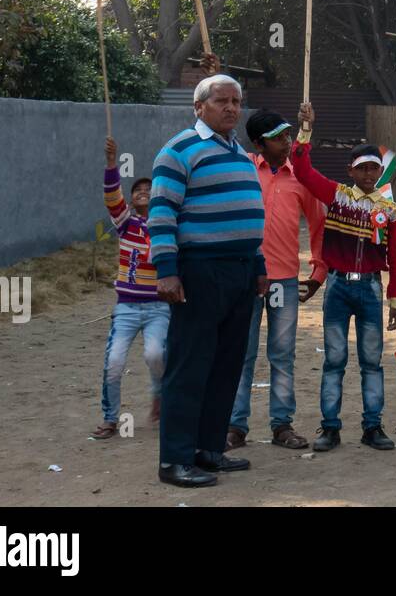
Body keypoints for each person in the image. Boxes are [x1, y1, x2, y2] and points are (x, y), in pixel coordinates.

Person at [149, 72, 268, 488]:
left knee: (226, 365)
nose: (231, 108)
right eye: (222, 101)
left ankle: (208, 451)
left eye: (236, 101)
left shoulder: (240, 153)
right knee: (189, 365)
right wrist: (166, 272)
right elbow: (161, 214)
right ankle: (175, 460)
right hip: (199, 271)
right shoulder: (179, 150)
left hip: (239, 272)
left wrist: (257, 267)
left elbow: (249, 217)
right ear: (198, 107)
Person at [288, 107, 396, 453]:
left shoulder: (390, 211)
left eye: (374, 168)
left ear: (381, 171)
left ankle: (373, 426)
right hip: (338, 286)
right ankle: (330, 428)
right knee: (334, 360)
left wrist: (395, 300)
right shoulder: (336, 195)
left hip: (370, 288)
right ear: (350, 170)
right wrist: (305, 131)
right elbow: (302, 169)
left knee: (372, 361)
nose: (369, 173)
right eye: (362, 168)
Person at [227, 110, 325, 453]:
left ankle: (281, 425)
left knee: (282, 355)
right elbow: (215, 136)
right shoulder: (241, 169)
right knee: (242, 353)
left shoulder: (301, 177)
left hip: (283, 282)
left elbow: (318, 225)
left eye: (288, 136)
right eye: (279, 137)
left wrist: (317, 271)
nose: (287, 143)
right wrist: (214, 77)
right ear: (257, 144)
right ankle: (234, 427)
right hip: (245, 280)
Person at [93, 137, 169, 440]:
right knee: (113, 363)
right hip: (126, 306)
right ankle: (111, 419)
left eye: (149, 190)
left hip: (158, 307)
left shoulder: (167, 227)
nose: (142, 193)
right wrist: (112, 164)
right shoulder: (126, 224)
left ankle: (159, 395)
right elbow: (112, 196)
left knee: (155, 356)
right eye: (137, 190)